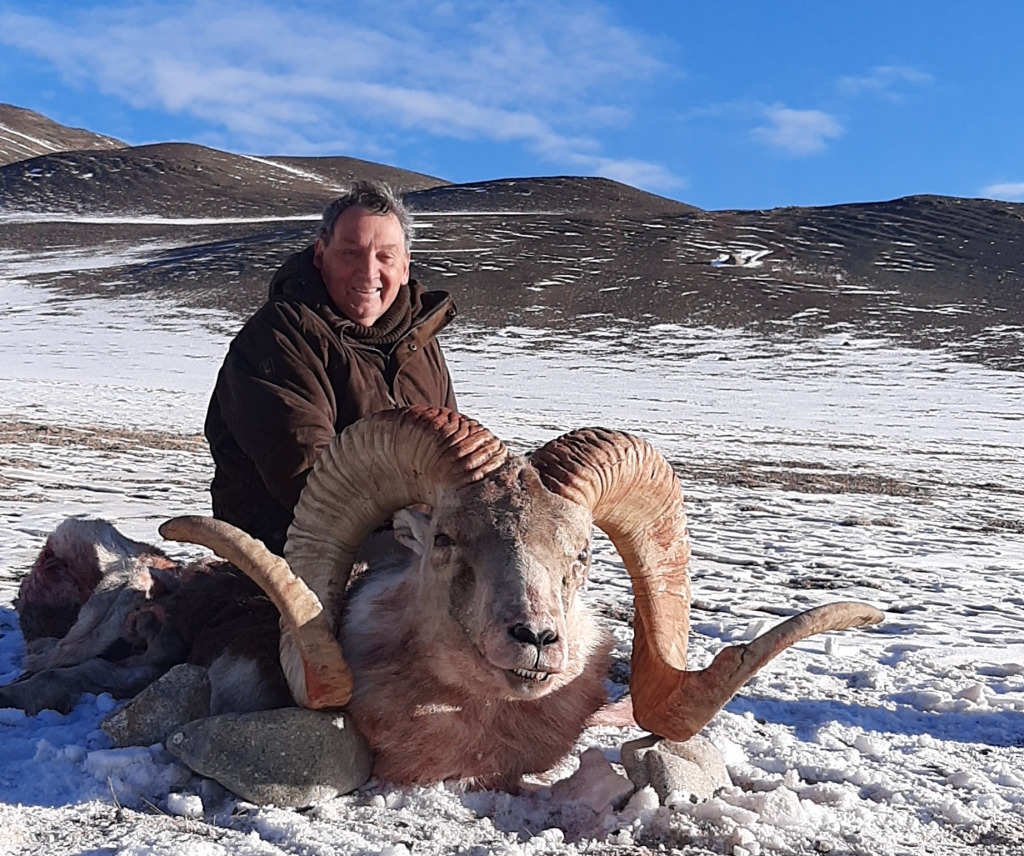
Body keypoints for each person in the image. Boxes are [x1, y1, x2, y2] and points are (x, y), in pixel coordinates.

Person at [204, 181, 457, 554]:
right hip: (295, 558)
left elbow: (450, 458)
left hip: (408, 552)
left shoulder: (421, 343)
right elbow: (313, 483)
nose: (368, 273)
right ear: (321, 254)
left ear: (405, 267)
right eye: (350, 253)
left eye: (385, 257)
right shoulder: (279, 336)